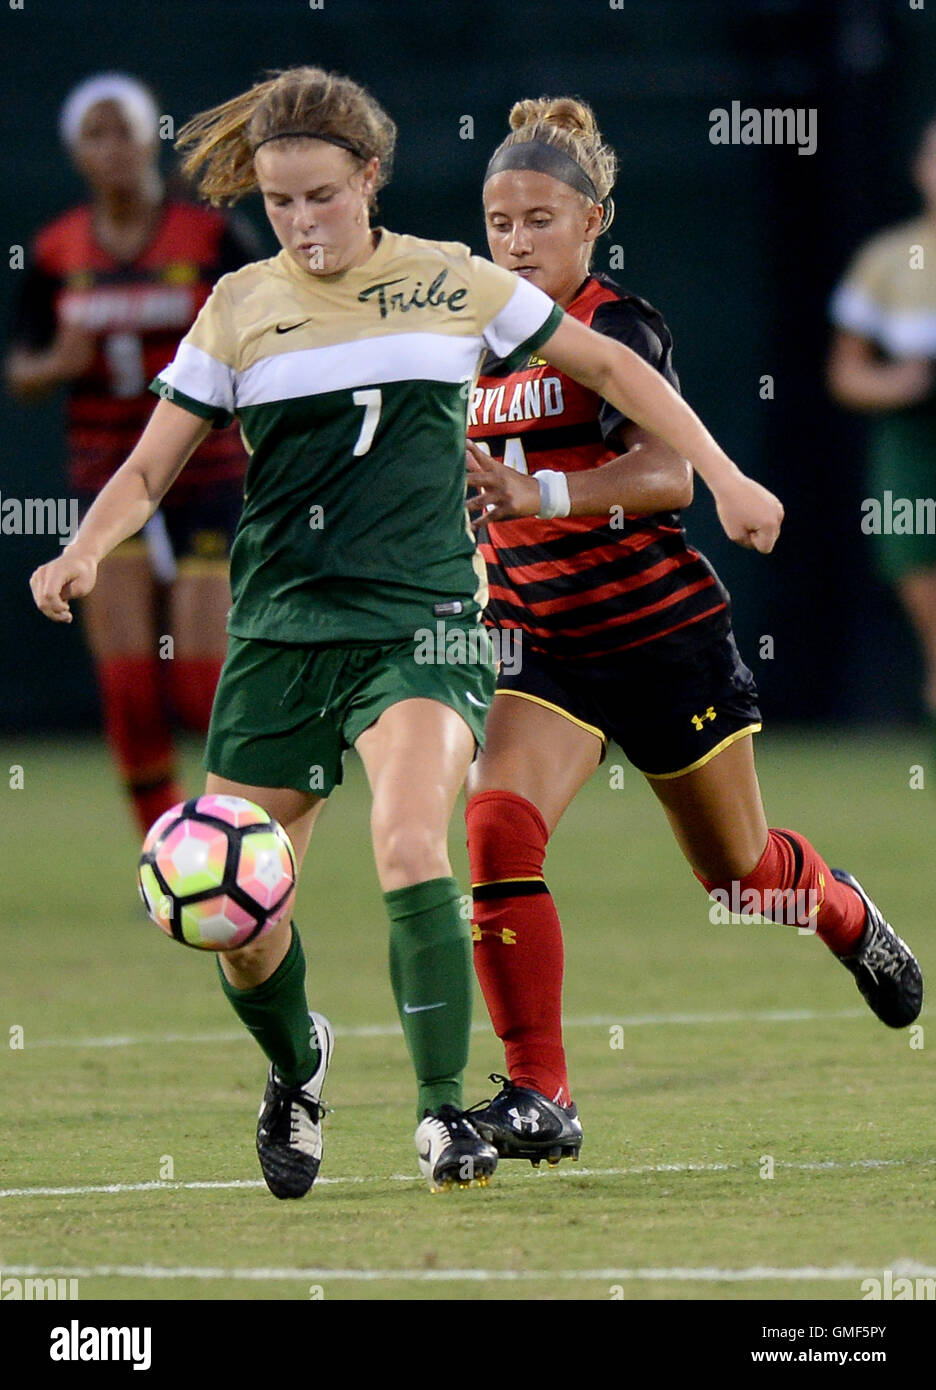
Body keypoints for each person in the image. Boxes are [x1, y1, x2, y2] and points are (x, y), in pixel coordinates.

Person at [31, 67, 783, 1197]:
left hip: (422, 622)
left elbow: (615, 365)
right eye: (281, 204)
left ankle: (444, 1117)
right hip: (283, 633)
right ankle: (300, 1061)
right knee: (233, 903)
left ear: (369, 179)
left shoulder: (453, 281)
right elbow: (151, 461)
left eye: (322, 198)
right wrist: (84, 547)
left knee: (410, 841)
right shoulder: (238, 303)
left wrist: (725, 475)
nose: (302, 223)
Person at [462, 98, 924, 1167]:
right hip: (544, 643)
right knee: (495, 826)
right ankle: (540, 1091)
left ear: (594, 221)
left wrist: (543, 495)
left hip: (662, 639)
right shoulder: (465, 338)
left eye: (541, 218)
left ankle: (846, 913)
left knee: (741, 875)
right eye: (499, 222)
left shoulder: (621, 329)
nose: (518, 240)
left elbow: (667, 476)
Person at [6, 73, 257, 836]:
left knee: (197, 682)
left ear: (151, 137)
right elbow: (21, 370)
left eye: (125, 130)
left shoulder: (209, 237)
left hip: (206, 478)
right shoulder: (56, 250)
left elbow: (268, 331)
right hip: (107, 485)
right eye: (96, 134)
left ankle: (239, 837)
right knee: (128, 689)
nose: (112, 148)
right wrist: (57, 362)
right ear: (77, 151)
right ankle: (167, 850)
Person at [827, 118, 936, 715]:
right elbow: (846, 374)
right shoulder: (889, 260)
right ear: (921, 169)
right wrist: (904, 382)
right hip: (913, 453)